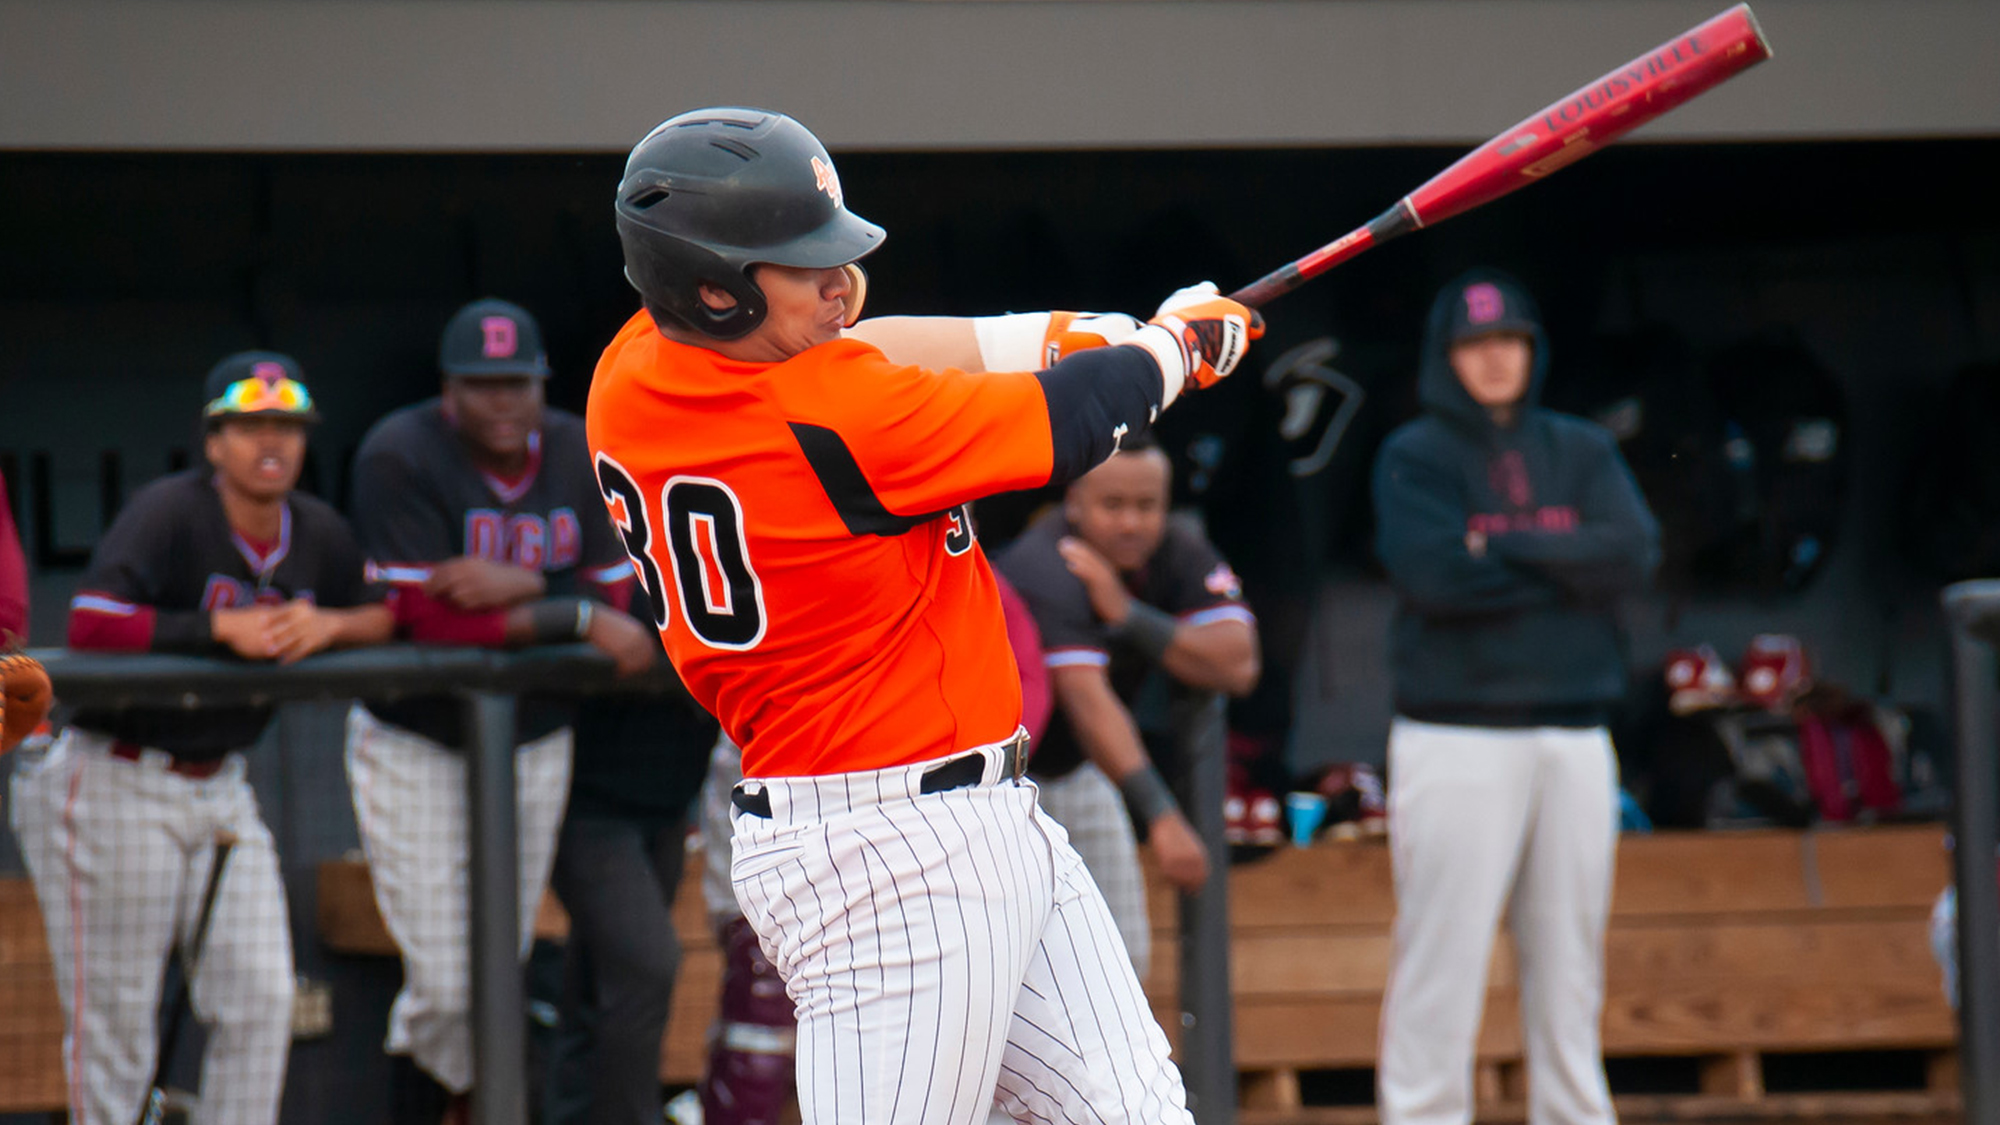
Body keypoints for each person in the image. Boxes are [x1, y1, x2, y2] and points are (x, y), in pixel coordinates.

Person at [586, 107, 1260, 1125]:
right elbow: (1070, 421)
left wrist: (1049, 334)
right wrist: (1171, 352)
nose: (833, 282)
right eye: (797, 263)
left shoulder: (638, 367)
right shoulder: (832, 422)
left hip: (965, 815)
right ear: (715, 290)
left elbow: (865, 344)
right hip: (886, 854)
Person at [9, 351, 394, 1125]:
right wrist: (216, 626)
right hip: (117, 774)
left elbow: (383, 607)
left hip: (220, 783)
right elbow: (91, 621)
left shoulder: (314, 529)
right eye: (249, 424)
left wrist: (331, 622)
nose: (270, 441)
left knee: (262, 998)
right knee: (117, 1021)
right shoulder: (172, 509)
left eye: (285, 424)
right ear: (215, 441)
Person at [344, 298, 657, 1123]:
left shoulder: (576, 445)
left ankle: (464, 1107)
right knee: (449, 983)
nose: (503, 401)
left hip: (532, 738)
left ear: (539, 382)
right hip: (416, 736)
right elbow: (426, 615)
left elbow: (616, 593)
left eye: (517, 382)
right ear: (450, 389)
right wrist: (575, 612)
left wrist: (534, 591)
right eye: (483, 385)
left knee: (498, 970)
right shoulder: (399, 452)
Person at [1370, 269, 1660, 1125]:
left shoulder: (1581, 447)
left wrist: (1498, 544)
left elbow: (1633, 555)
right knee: (1442, 961)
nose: (1494, 359)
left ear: (1532, 349)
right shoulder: (1413, 453)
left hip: (1574, 734)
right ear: (1444, 354)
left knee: (1570, 966)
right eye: (1474, 342)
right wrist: (1568, 563)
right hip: (1456, 735)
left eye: (1510, 341)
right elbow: (1434, 577)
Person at [676, 568, 1049, 1125]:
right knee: (764, 1018)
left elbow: (1026, 681)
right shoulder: (804, 561)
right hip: (795, 800)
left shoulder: (953, 572)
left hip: (877, 821)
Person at [995, 433, 1259, 977]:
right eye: (1112, 505)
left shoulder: (1174, 547)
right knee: (1011, 972)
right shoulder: (1046, 560)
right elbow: (1087, 701)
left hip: (1074, 772)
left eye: (1147, 506)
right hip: (998, 787)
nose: (1131, 523)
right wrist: (1161, 817)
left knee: (1123, 961)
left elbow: (1239, 664)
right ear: (1074, 502)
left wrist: (1129, 616)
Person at [543, 587, 718, 1125]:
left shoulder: (724, 548)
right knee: (648, 964)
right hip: (584, 803)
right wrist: (585, 617)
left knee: (597, 980)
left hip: (663, 803)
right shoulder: (605, 533)